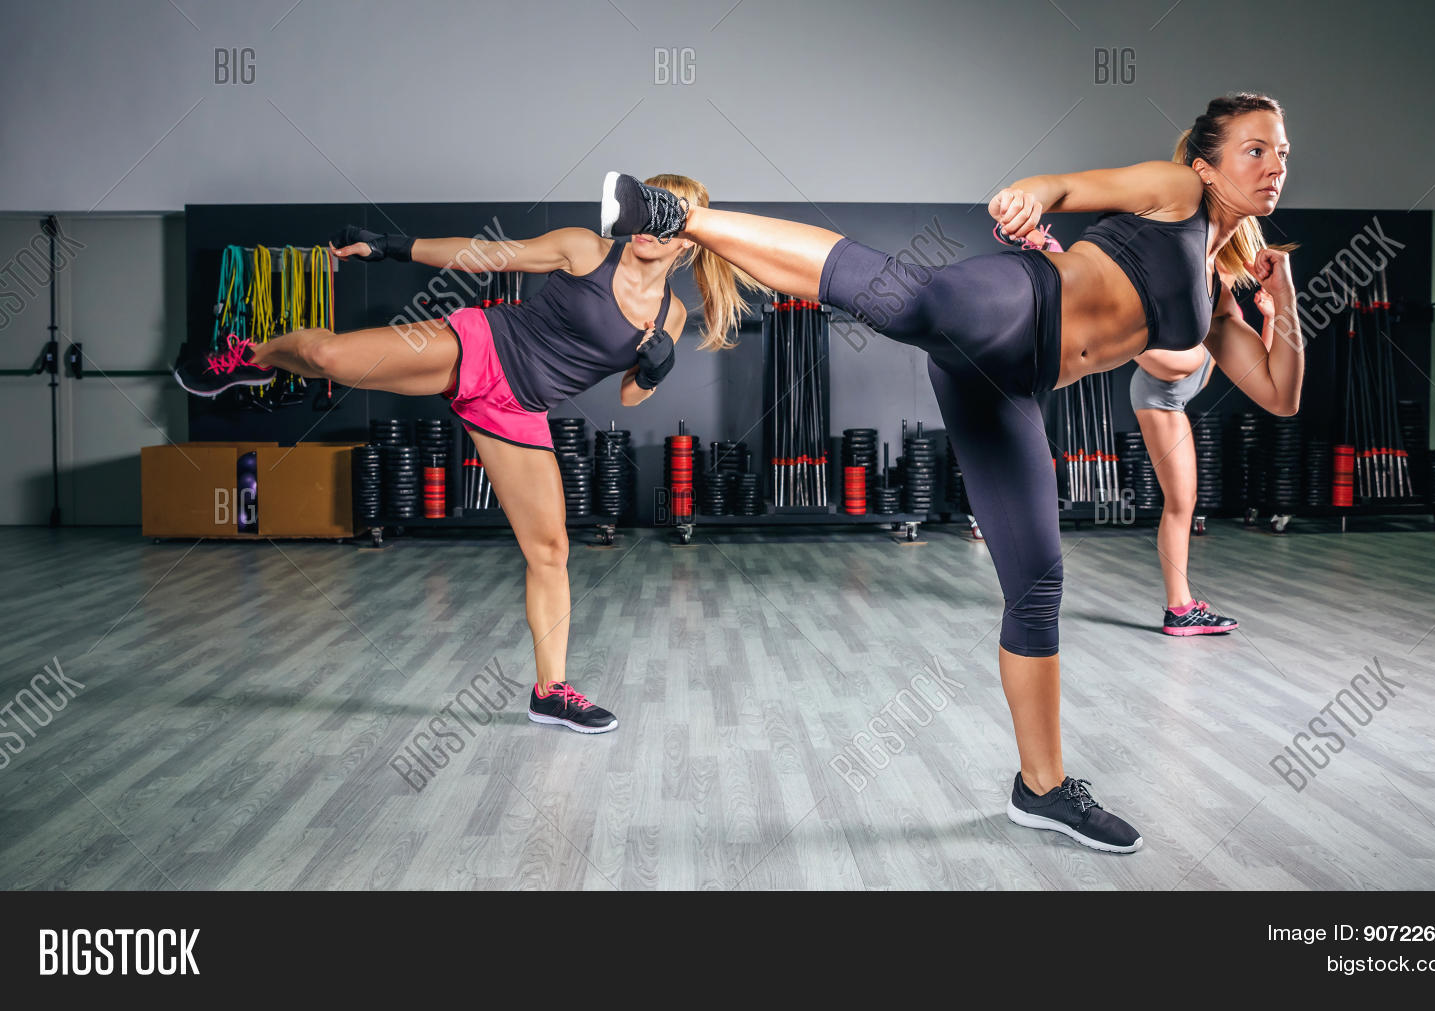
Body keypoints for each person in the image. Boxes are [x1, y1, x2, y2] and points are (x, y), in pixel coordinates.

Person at [599, 93, 1301, 852]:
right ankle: (672, 216)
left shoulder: (1218, 293)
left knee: (1037, 583)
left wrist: (1283, 297)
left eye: (1282, 153)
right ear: (1206, 162)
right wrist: (1026, 198)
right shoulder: (1175, 194)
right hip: (1017, 305)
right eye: (1255, 149)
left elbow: (1279, 393)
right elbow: (1063, 187)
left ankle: (1042, 787)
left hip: (1008, 387)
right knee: (911, 301)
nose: (1274, 166)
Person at [173, 174, 762, 734]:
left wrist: (656, 369)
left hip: (519, 410)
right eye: (647, 209)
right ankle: (251, 355)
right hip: (481, 347)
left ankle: (550, 692)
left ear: (688, 238)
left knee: (551, 549)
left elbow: (631, 397)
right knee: (329, 359)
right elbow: (488, 255)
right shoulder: (586, 250)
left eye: (666, 220)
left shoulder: (672, 316)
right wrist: (392, 248)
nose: (648, 227)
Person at [1133, 284, 1278, 636]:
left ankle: (1180, 607)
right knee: (1180, 504)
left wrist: (1270, 319)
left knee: (1184, 503)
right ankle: (1179, 610)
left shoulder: (1218, 312)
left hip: (1169, 399)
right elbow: (1152, 354)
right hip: (1160, 397)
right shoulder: (1195, 305)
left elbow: (1258, 368)